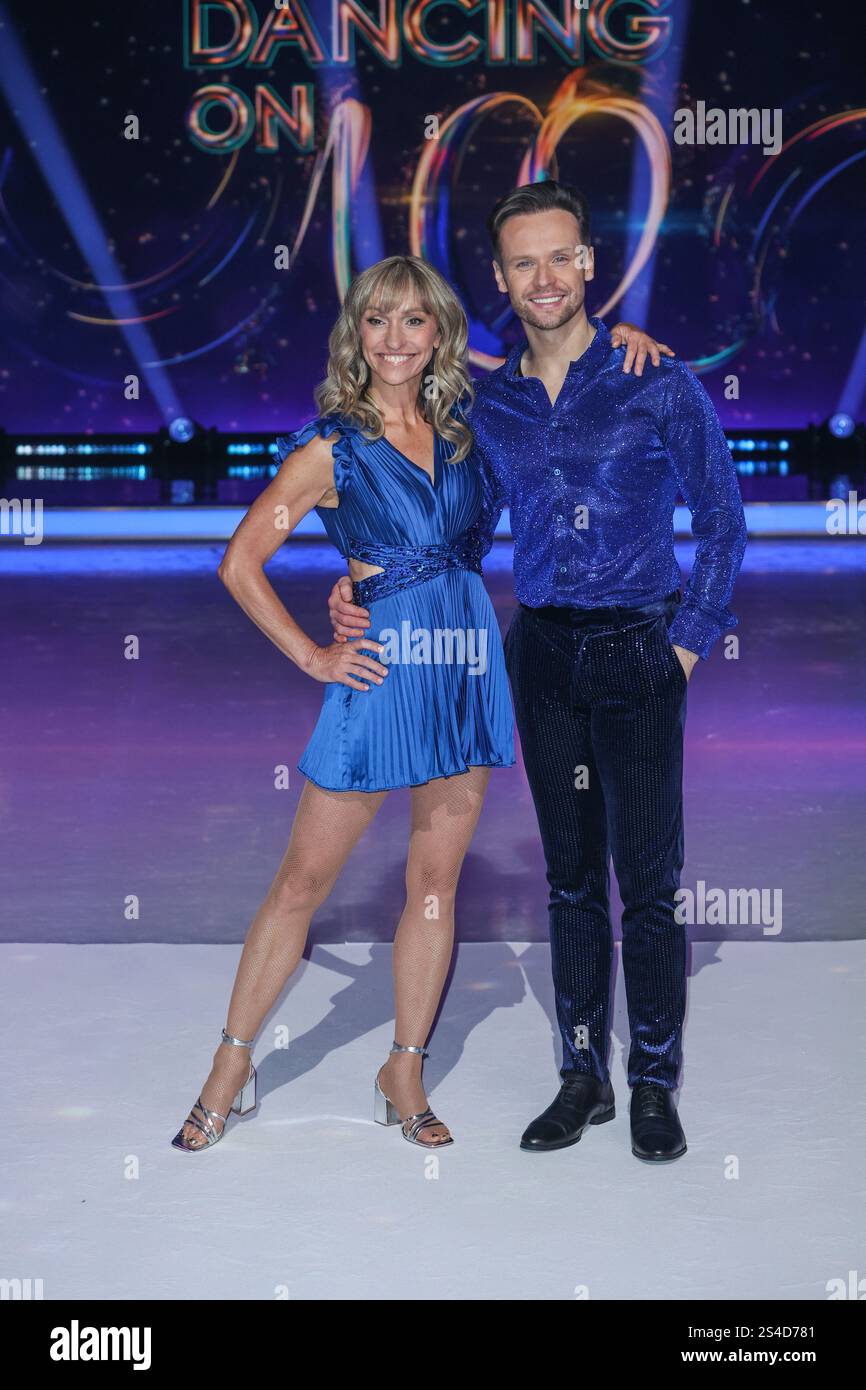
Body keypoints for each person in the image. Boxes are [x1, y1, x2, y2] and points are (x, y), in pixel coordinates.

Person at [172, 250, 666, 1155]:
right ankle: (230, 1067)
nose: (394, 338)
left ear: (440, 332)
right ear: (355, 335)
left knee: (433, 886)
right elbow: (240, 563)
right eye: (375, 319)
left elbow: (568, 381)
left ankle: (404, 1066)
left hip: (468, 663)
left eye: (413, 320)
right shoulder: (332, 446)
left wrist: (622, 340)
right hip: (381, 676)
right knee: (301, 885)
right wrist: (317, 656)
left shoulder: (475, 429)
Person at [328, 181, 748, 1164]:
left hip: (640, 647)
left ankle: (650, 1080)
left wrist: (684, 642)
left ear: (590, 263)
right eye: (524, 262)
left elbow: (722, 523)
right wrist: (358, 586)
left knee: (644, 882)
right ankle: (578, 1076)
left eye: (561, 256)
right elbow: (424, 505)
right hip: (543, 655)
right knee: (566, 883)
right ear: (502, 278)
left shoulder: (656, 380)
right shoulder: (486, 397)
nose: (545, 276)